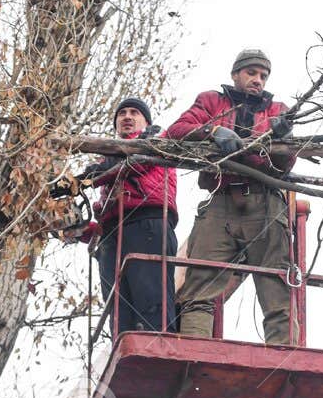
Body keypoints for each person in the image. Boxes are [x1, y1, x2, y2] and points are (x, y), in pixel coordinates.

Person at [163, 48, 296, 344]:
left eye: (263, 75)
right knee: (200, 284)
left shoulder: (278, 111)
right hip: (221, 199)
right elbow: (176, 131)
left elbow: (284, 165)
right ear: (235, 74)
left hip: (266, 204)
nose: (257, 80)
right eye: (251, 73)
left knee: (277, 290)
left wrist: (282, 139)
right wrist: (213, 132)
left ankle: (282, 360)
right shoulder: (212, 101)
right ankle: (194, 355)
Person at [79, 97, 179, 335]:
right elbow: (106, 223)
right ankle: (122, 344)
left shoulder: (156, 141)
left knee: (151, 296)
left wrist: (82, 179)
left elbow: (135, 163)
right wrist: (77, 228)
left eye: (134, 112)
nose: (127, 117)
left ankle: (158, 346)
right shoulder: (108, 161)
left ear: (146, 121)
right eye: (122, 113)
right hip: (114, 233)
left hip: (147, 222)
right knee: (118, 305)